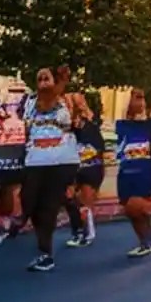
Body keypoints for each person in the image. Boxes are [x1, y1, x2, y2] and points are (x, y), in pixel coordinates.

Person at [18, 68, 79, 271]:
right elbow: (24, 128)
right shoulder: (28, 103)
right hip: (35, 160)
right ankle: (44, 241)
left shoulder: (66, 101)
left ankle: (46, 254)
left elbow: (78, 123)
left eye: (47, 78)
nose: (43, 82)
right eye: (40, 79)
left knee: (48, 206)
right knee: (30, 202)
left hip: (60, 161)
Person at [115, 90, 151, 257]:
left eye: (142, 98)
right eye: (136, 97)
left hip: (145, 171)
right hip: (126, 171)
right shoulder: (121, 124)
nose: (140, 101)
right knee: (130, 211)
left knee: (136, 204)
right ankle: (145, 242)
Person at [63, 89, 103, 248]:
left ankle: (88, 233)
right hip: (73, 165)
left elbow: (97, 145)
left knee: (86, 201)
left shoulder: (90, 122)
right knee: (68, 197)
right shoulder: (67, 124)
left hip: (90, 165)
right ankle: (78, 230)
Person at [0, 87, 27, 254]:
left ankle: (8, 223)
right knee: (5, 192)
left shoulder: (20, 122)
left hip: (9, 160)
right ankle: (8, 223)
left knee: (8, 191)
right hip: (5, 160)